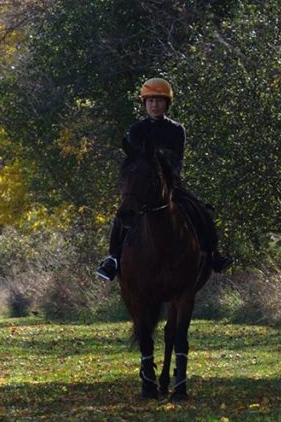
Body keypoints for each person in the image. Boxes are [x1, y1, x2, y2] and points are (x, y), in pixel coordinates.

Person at [96, 77, 232, 280]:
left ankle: (213, 254)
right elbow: (134, 160)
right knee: (122, 215)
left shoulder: (176, 130)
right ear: (145, 104)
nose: (154, 105)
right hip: (144, 187)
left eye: (159, 101)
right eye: (150, 101)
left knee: (200, 210)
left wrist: (166, 172)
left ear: (166, 104)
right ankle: (113, 259)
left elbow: (176, 160)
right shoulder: (137, 130)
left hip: (170, 185)